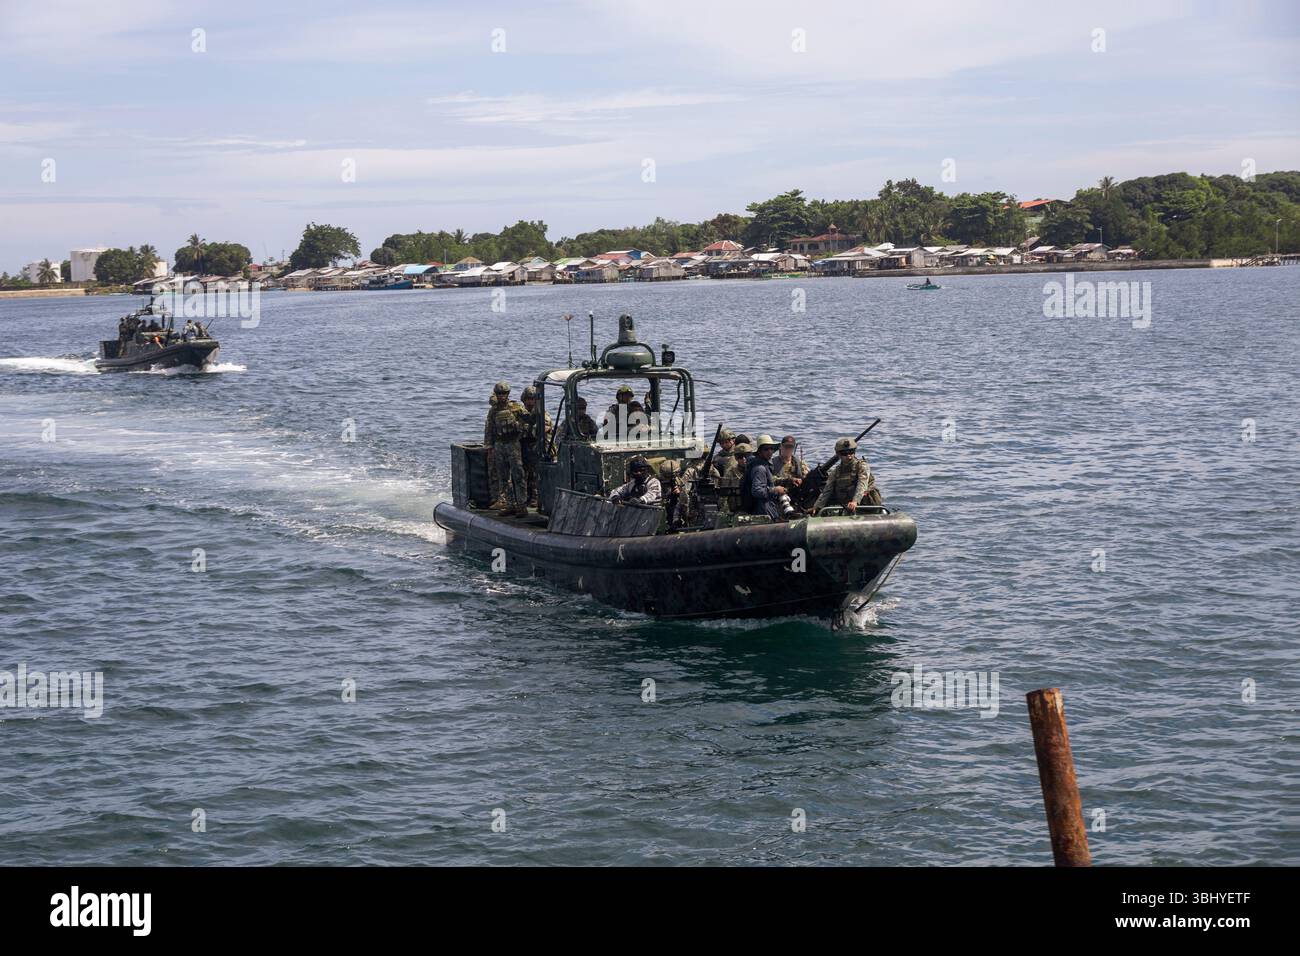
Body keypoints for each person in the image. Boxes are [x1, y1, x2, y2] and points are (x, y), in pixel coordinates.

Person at [484, 381, 529, 517]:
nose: (502, 396)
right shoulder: (494, 410)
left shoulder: (516, 407)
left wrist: (521, 429)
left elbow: (528, 419)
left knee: (518, 475)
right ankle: (509, 504)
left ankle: (521, 505)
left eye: (504, 393)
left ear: (508, 394)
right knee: (503, 476)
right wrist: (489, 448)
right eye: (499, 394)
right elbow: (489, 429)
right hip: (499, 445)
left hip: (513, 444)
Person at [813, 437, 881, 514]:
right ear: (838, 454)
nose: (849, 456)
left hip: (866, 504)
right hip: (848, 506)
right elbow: (827, 490)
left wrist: (855, 501)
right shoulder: (836, 472)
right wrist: (817, 506)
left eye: (851, 452)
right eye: (844, 453)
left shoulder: (861, 466)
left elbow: (862, 485)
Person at [742, 435, 797, 520]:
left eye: (771, 448)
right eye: (766, 449)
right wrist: (775, 490)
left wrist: (788, 481)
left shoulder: (762, 465)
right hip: (761, 509)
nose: (770, 451)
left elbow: (770, 480)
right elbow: (757, 491)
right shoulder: (760, 468)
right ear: (759, 451)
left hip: (765, 505)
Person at [519, 385, 552, 508]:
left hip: (536, 445)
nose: (530, 401)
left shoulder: (542, 413)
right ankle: (525, 497)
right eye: (528, 398)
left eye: (532, 399)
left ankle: (535, 498)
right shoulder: (520, 412)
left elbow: (546, 428)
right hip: (523, 445)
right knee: (523, 473)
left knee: (535, 473)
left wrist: (530, 429)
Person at [658, 459, 681, 527]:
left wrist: (680, 492)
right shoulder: (657, 482)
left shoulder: (679, 481)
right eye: (667, 476)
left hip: (676, 511)